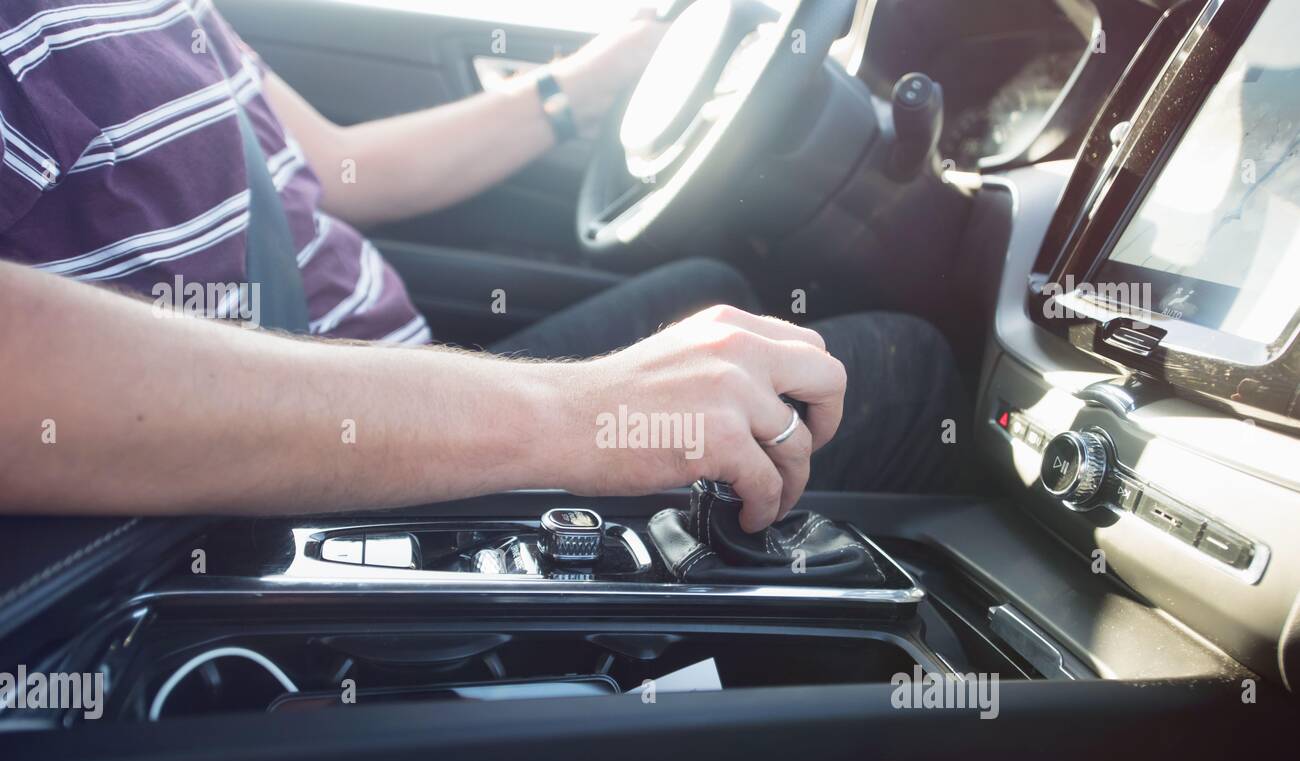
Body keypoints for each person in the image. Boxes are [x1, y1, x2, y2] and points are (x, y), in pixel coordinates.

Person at [0, 1, 961, 530]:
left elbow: (337, 166)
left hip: (380, 381)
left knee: (721, 299)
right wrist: (577, 418)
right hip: (297, 494)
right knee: (903, 369)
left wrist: (586, 85)